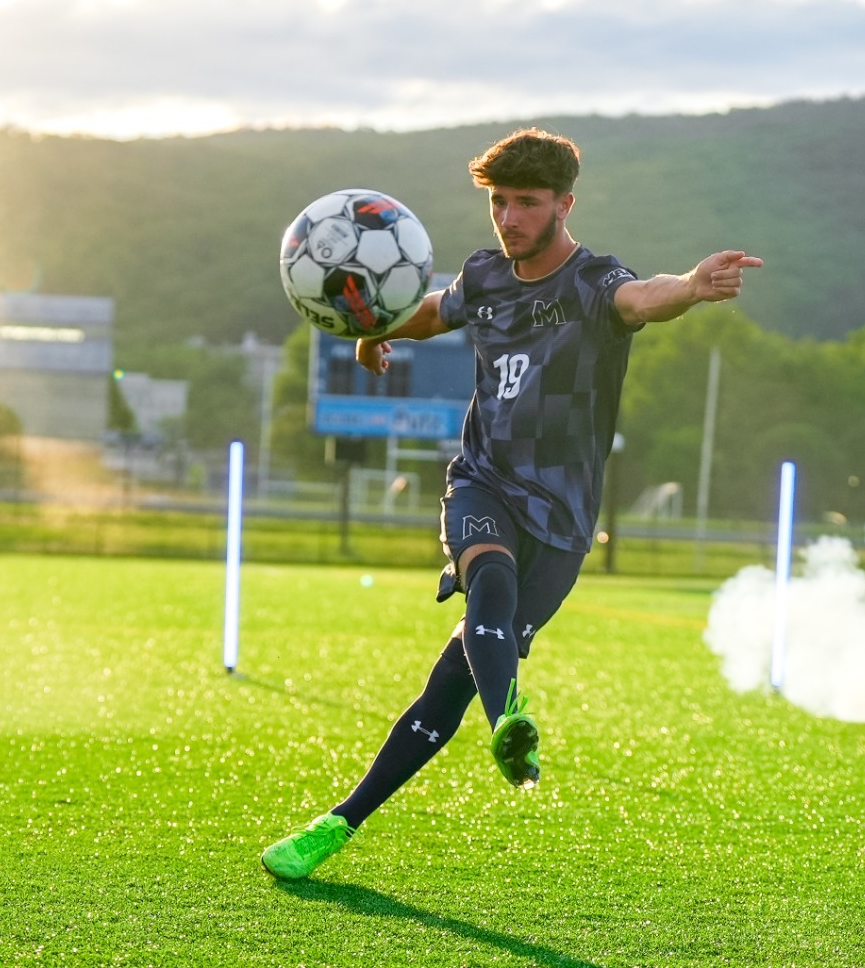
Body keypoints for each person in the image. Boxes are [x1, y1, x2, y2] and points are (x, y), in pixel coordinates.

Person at [260, 127, 761, 880]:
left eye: (527, 203)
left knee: (443, 691)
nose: (510, 219)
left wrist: (689, 285)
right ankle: (511, 723)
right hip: (483, 480)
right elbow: (435, 310)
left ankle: (337, 824)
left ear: (564, 204)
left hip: (562, 518)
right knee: (486, 577)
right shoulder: (487, 277)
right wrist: (374, 330)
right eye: (500, 203)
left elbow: (641, 298)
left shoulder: (593, 284)